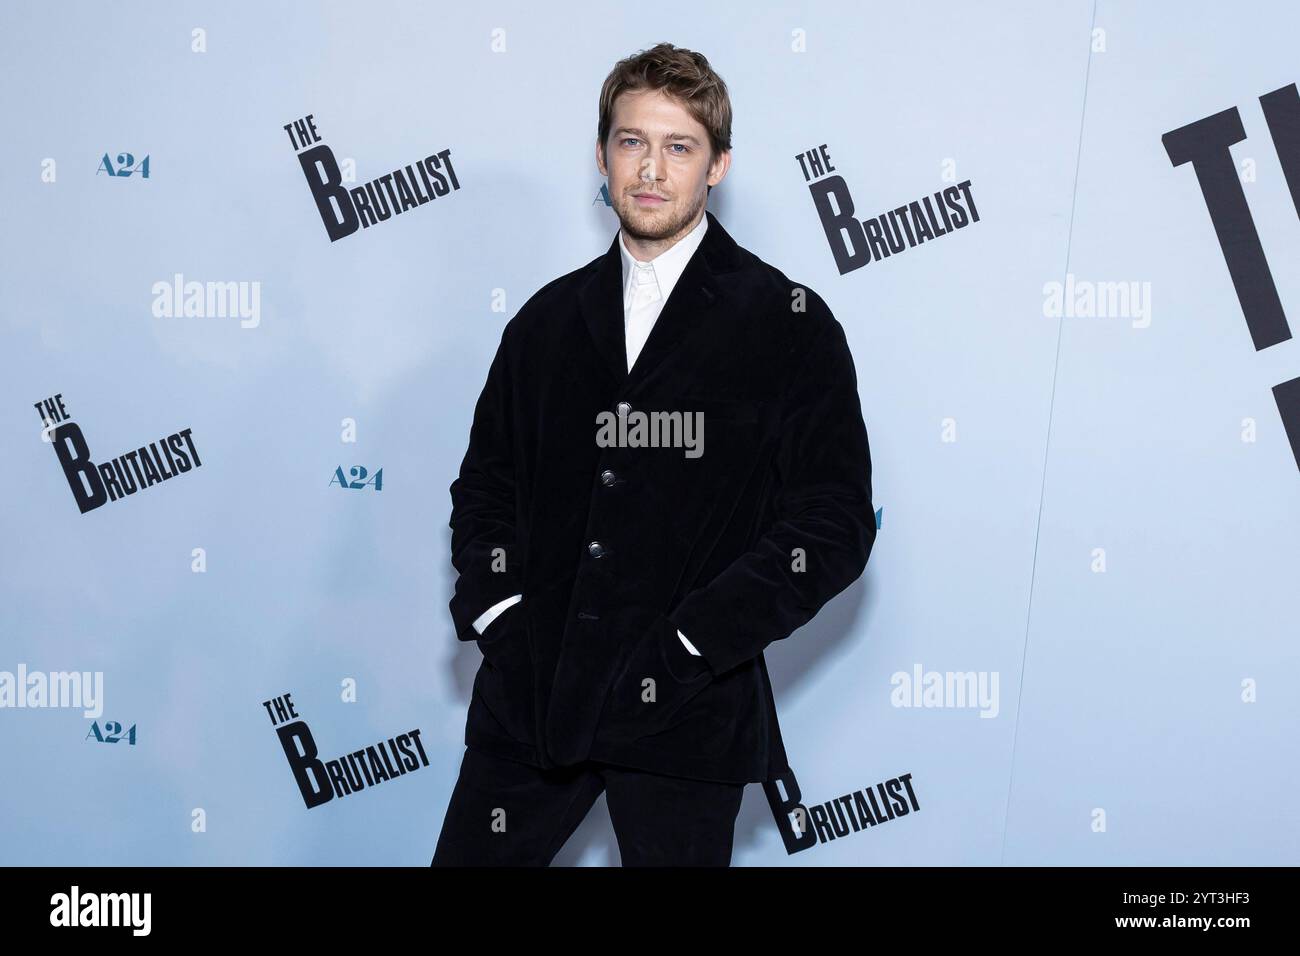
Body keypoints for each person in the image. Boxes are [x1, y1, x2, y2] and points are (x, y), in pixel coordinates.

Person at [432, 42, 876, 866]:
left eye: (679, 147)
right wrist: (501, 616)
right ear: (601, 155)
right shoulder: (545, 322)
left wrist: (693, 647)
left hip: (686, 712)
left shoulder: (788, 324)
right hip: (535, 696)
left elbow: (833, 523)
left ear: (718, 166)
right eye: (633, 141)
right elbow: (486, 487)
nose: (651, 169)